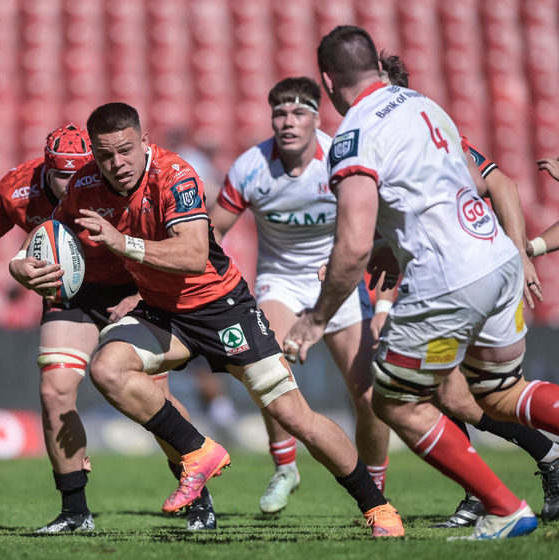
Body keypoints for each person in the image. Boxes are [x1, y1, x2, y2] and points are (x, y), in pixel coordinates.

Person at [14, 101, 405, 537]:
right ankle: (197, 450)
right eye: (105, 155)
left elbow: (194, 254)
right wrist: (21, 264)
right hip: (164, 312)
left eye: (125, 150)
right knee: (107, 368)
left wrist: (122, 243)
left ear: (145, 141)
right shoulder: (85, 185)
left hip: (222, 309)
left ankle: (378, 507)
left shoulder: (175, 174)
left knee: (295, 417)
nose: (116, 164)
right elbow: (48, 234)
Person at [0, 124, 217, 533]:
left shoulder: (124, 184)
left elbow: (169, 246)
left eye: (79, 173)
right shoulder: (18, 189)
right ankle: (74, 512)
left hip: (135, 290)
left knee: (155, 394)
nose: (72, 184)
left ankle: (199, 499)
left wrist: (142, 296)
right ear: (46, 169)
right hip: (71, 294)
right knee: (54, 389)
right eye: (61, 176)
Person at [286, 24, 559, 540]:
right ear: (374, 64)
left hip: (447, 278)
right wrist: (395, 243)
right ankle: (515, 489)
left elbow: (353, 245)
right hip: (497, 258)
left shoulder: (355, 134)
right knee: (499, 392)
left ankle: (503, 507)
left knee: (396, 402)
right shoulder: (424, 105)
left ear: (327, 81)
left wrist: (317, 317)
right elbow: (442, 190)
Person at [376, 52, 559, 528]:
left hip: (461, 281)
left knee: (445, 396)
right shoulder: (388, 140)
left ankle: (502, 488)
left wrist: (522, 251)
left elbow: (502, 184)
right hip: (445, 279)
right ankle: (504, 483)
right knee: (462, 394)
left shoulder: (427, 135)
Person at [208, 77, 391, 515]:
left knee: (369, 397)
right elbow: (212, 232)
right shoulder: (250, 166)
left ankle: (376, 489)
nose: (288, 122)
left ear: (316, 117)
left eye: (299, 112)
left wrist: (372, 290)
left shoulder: (341, 158)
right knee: (265, 366)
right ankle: (286, 467)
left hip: (340, 282)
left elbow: (379, 232)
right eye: (280, 114)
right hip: (281, 282)